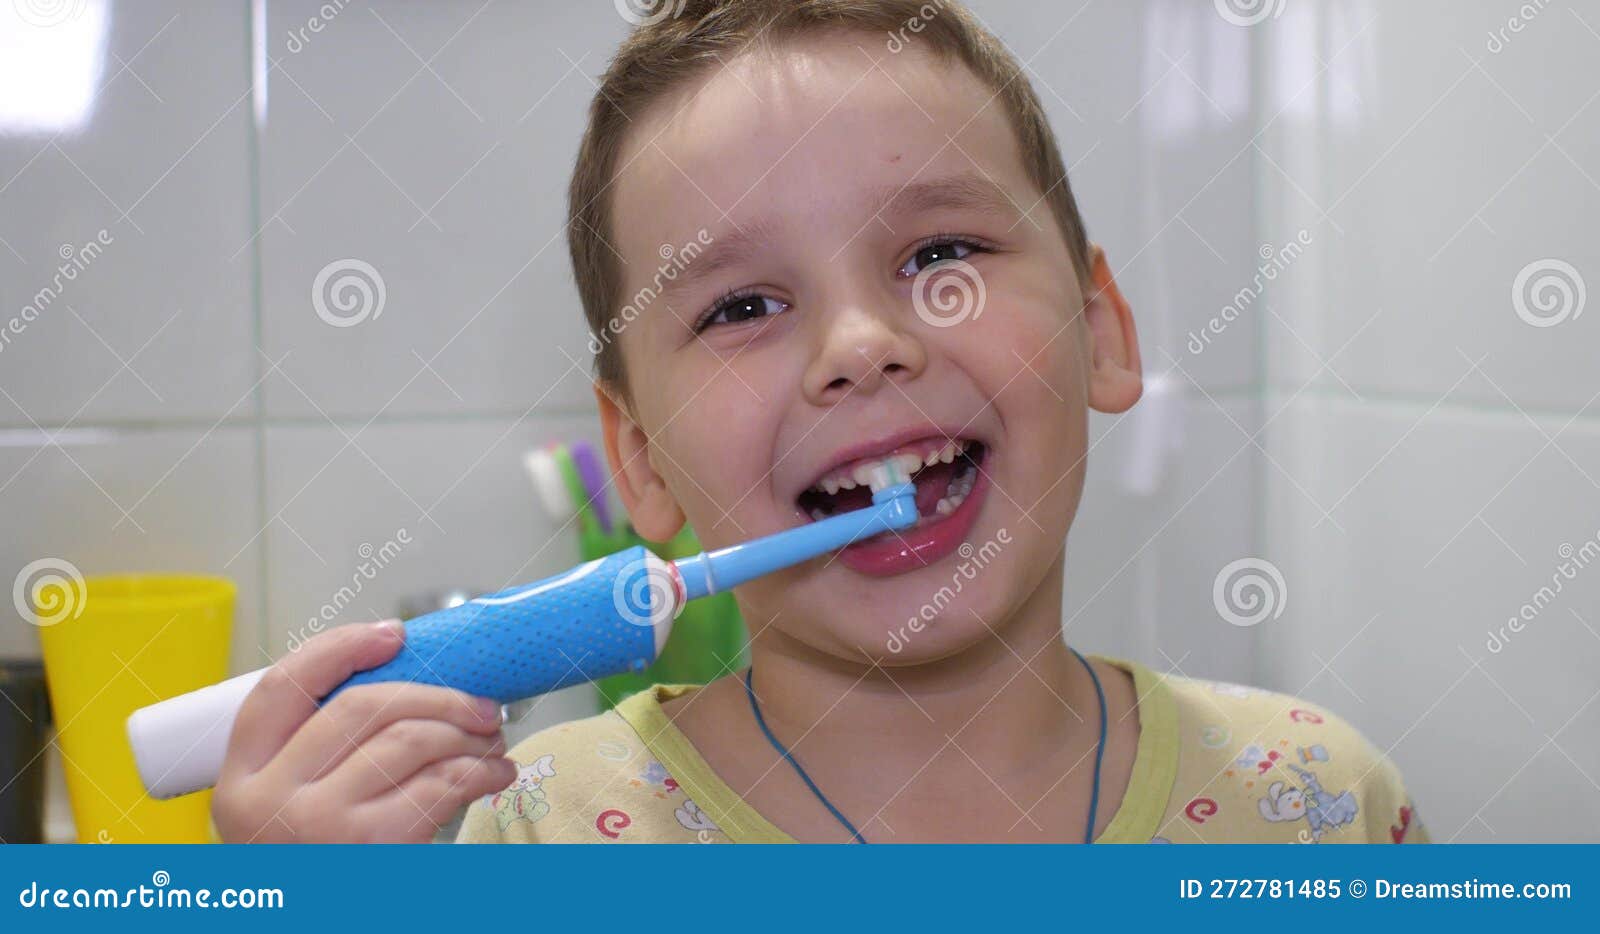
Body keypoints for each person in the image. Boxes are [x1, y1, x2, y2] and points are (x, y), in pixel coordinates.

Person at [213, 0, 1426, 845]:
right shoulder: (522, 837)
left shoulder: (1317, 799)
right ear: (639, 456)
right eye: (742, 305)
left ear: (1102, 331)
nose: (858, 346)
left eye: (940, 251)